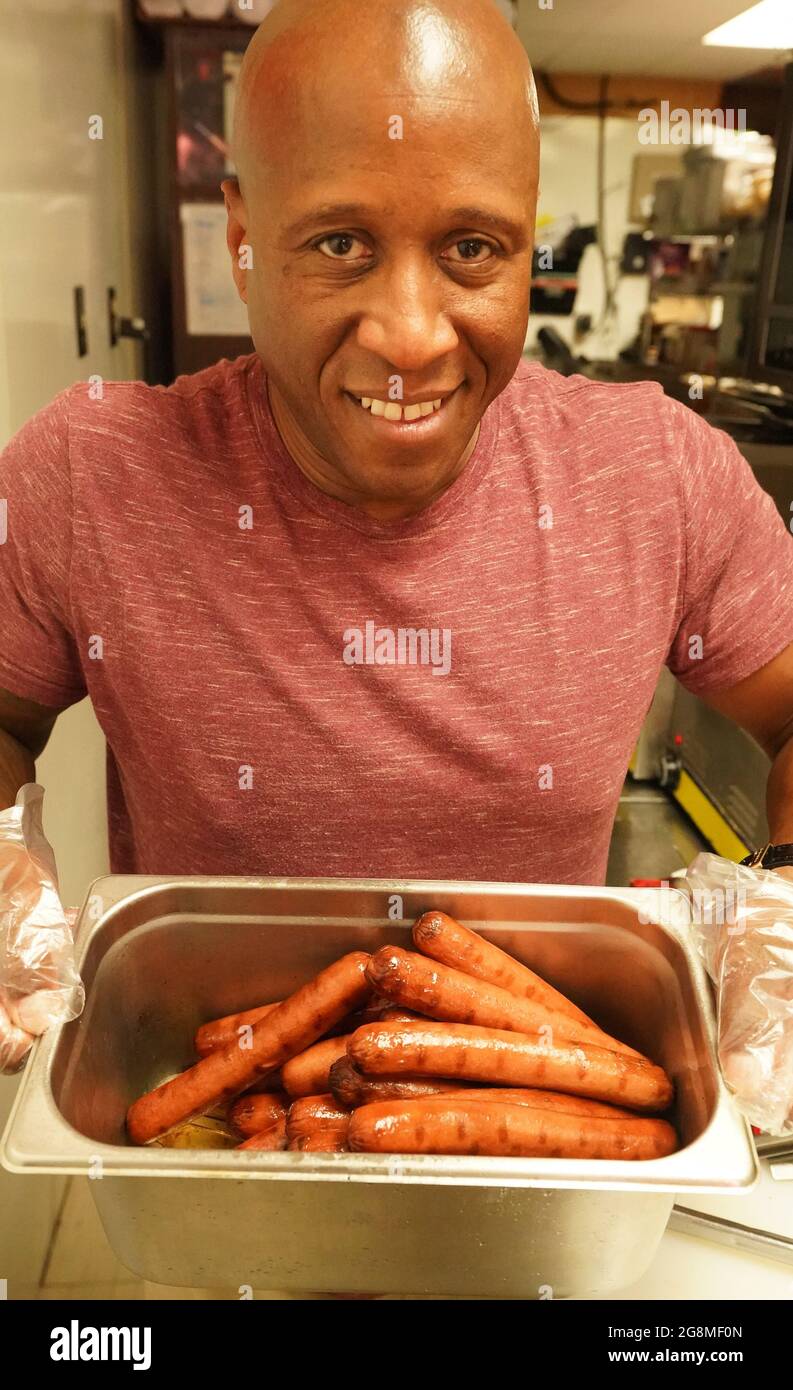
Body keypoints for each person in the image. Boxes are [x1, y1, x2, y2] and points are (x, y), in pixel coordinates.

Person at [1, 0, 793, 1130]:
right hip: (222, 1126)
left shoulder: (656, 475)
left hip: (533, 1124)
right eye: (339, 245)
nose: (410, 334)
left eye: (472, 248)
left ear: (531, 236)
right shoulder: (90, 474)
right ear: (240, 234)